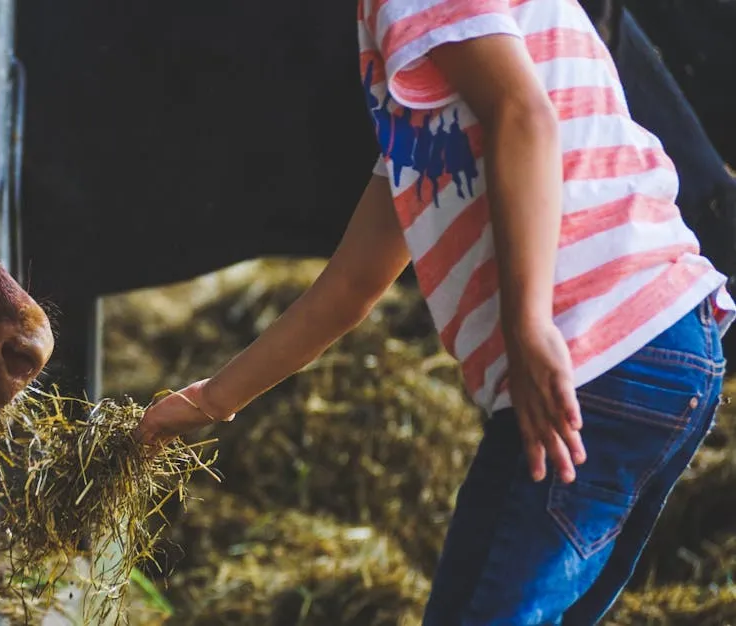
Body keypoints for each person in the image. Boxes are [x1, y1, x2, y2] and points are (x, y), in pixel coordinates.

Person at [134, 0, 735, 622]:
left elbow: (524, 116)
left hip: (591, 352)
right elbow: (351, 284)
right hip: (660, 345)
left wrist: (528, 326)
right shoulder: (430, 89)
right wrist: (211, 400)